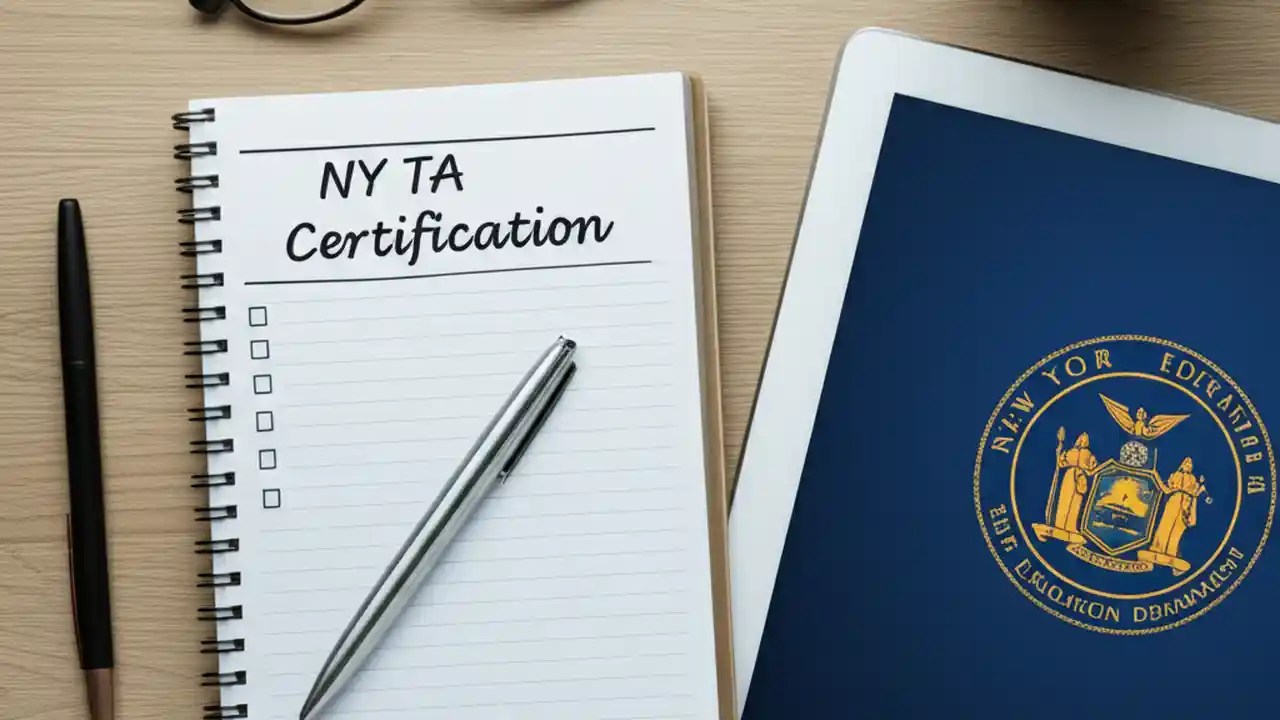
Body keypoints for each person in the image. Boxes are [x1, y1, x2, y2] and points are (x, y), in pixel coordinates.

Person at [1054, 432, 1097, 534]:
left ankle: (1070, 526)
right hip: (1070, 477)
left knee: (1075, 502)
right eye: (1082, 438)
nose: (1083, 441)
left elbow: (1092, 466)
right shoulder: (1072, 452)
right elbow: (1062, 463)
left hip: (1079, 477)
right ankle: (1060, 525)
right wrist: (1060, 455)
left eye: (1084, 439)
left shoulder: (1086, 453)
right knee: (1065, 500)